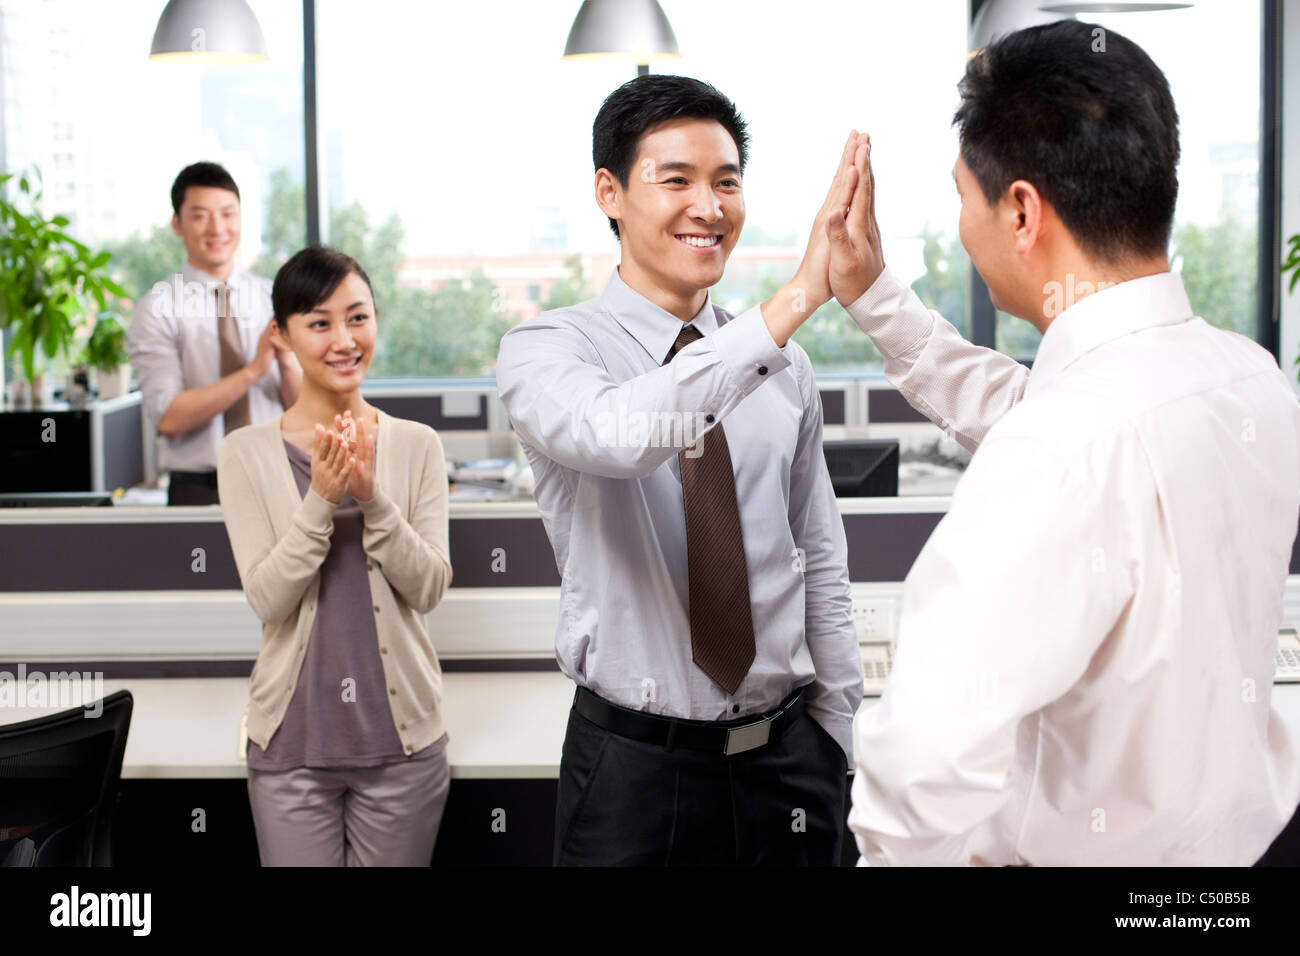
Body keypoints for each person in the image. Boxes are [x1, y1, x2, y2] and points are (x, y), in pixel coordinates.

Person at [824, 20, 1300, 865]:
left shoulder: (1064, 443)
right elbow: (1065, 416)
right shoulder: (1249, 379)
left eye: (964, 197)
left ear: (1020, 212)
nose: (961, 227)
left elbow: (921, 768)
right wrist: (877, 299)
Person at [495, 75, 866, 866]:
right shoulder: (550, 351)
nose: (711, 206)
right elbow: (621, 435)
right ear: (611, 192)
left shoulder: (785, 368)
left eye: (726, 181)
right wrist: (798, 297)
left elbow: (819, 556)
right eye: (678, 181)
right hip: (634, 773)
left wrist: (836, 738)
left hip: (788, 761)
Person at [217, 245, 453, 866]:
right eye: (319, 323)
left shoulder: (417, 445)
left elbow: (429, 586)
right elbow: (267, 598)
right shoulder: (244, 455)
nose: (344, 340)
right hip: (292, 747)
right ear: (282, 333)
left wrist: (373, 501)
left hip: (401, 746)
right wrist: (321, 500)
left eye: (358, 317)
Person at [127, 162, 302, 505]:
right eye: (200, 215)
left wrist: (286, 363)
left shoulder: (275, 298)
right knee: (199, 562)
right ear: (177, 224)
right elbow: (170, 419)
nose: (217, 228)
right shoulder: (157, 308)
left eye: (227, 213)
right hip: (200, 487)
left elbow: (302, 409)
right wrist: (253, 371)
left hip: (279, 479)